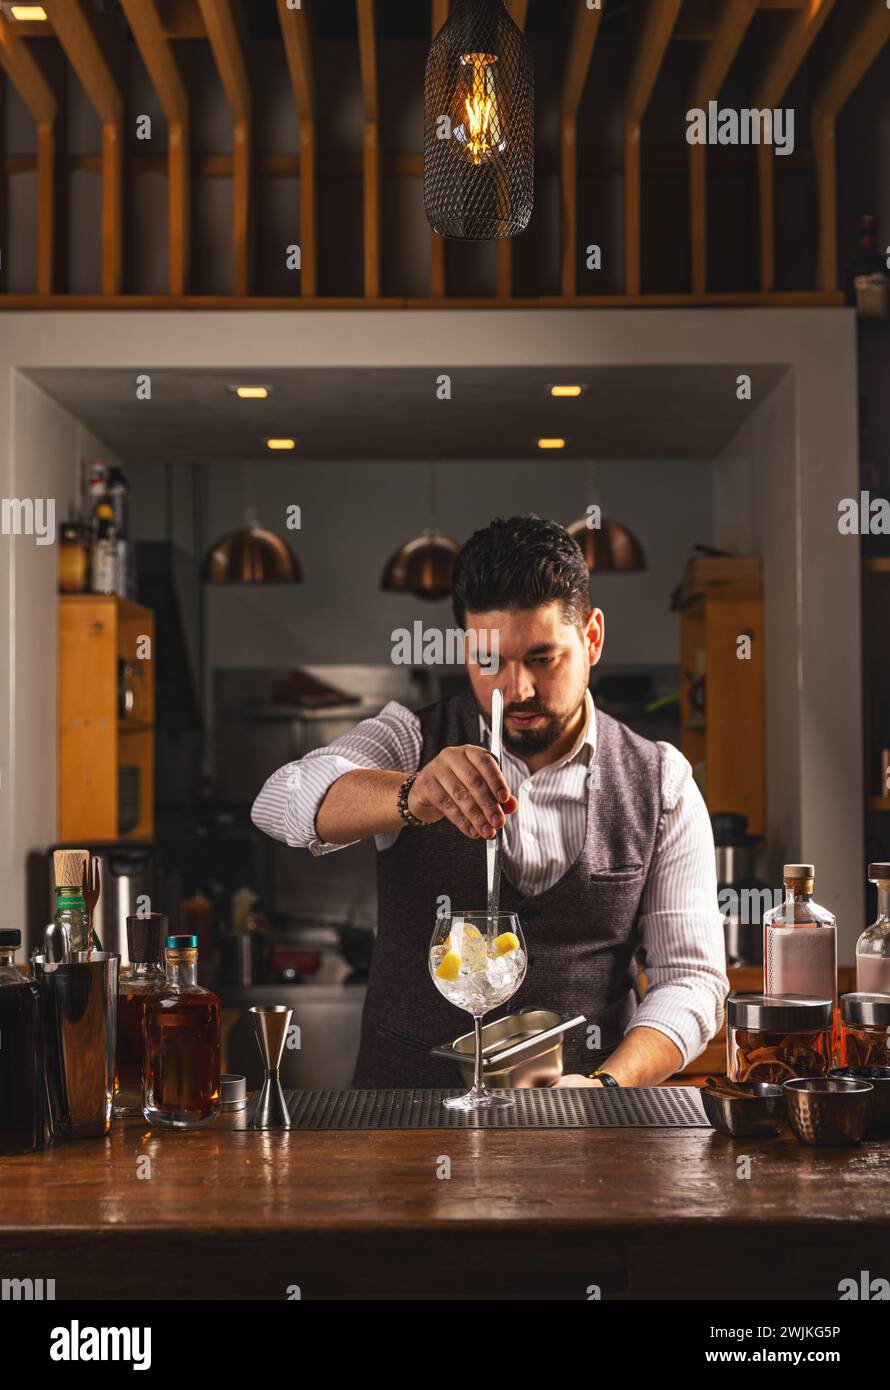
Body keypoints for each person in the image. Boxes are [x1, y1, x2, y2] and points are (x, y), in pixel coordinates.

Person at [252, 515, 728, 1088]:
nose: (516, 690)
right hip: (402, 1127)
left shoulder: (661, 780)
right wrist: (411, 793)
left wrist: (606, 1087)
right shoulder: (409, 739)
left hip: (583, 1138)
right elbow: (279, 801)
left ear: (592, 638)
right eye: (489, 661)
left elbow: (692, 981)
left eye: (542, 659)